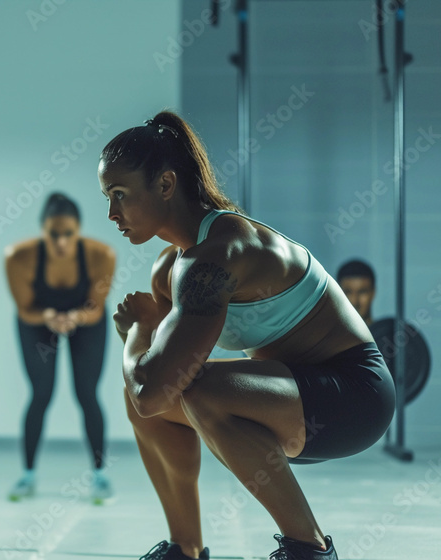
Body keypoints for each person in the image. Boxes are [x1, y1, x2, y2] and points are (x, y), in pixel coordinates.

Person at [100, 111, 394, 560]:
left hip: (356, 396)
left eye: (120, 194)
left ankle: (310, 550)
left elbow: (153, 389)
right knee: (152, 399)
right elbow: (147, 393)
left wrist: (139, 327)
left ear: (164, 185)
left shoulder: (221, 252)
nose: (111, 213)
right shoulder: (171, 268)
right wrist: (142, 343)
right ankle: (187, 549)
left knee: (195, 393)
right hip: (287, 401)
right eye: (107, 197)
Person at [3, 192, 117, 504]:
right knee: (41, 393)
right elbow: (25, 309)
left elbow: (95, 308)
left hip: (86, 321)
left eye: (69, 234)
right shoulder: (18, 257)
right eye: (54, 234)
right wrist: (49, 316)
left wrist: (76, 317)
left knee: (87, 394)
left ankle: (99, 475)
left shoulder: (102, 255)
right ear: (43, 230)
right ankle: (27, 475)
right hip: (38, 321)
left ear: (79, 230)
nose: (62, 242)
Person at [336, 259, 376, 325]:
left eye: (362, 292)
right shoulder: (326, 334)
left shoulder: (391, 333)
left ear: (373, 293)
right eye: (347, 292)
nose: (354, 301)